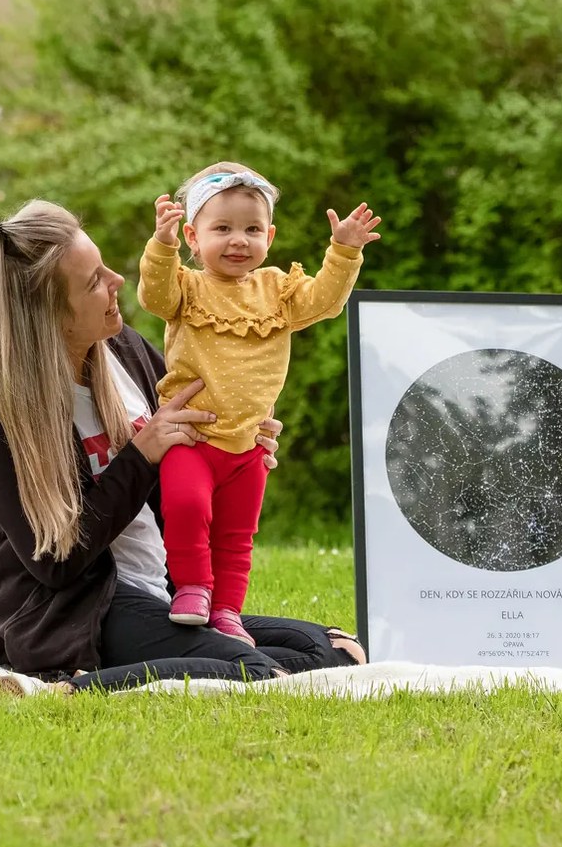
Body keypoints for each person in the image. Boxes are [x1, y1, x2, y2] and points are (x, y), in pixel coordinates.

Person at [0, 198, 365, 693]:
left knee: (330, 648)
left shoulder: (124, 352)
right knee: (255, 672)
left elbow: (183, 480)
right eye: (93, 282)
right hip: (72, 612)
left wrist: (233, 448)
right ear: (48, 314)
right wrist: (141, 454)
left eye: (104, 266)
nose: (117, 282)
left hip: (157, 591)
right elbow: (55, 566)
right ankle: (68, 689)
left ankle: (123, 671)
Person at [137, 162, 381, 646]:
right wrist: (160, 247)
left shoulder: (278, 290)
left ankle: (228, 611)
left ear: (269, 234)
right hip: (193, 435)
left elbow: (325, 302)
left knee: (235, 536)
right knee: (186, 505)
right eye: (221, 228)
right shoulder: (188, 287)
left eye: (251, 229)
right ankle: (192, 588)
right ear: (192, 234)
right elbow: (154, 295)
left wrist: (344, 251)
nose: (238, 240)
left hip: (249, 444)